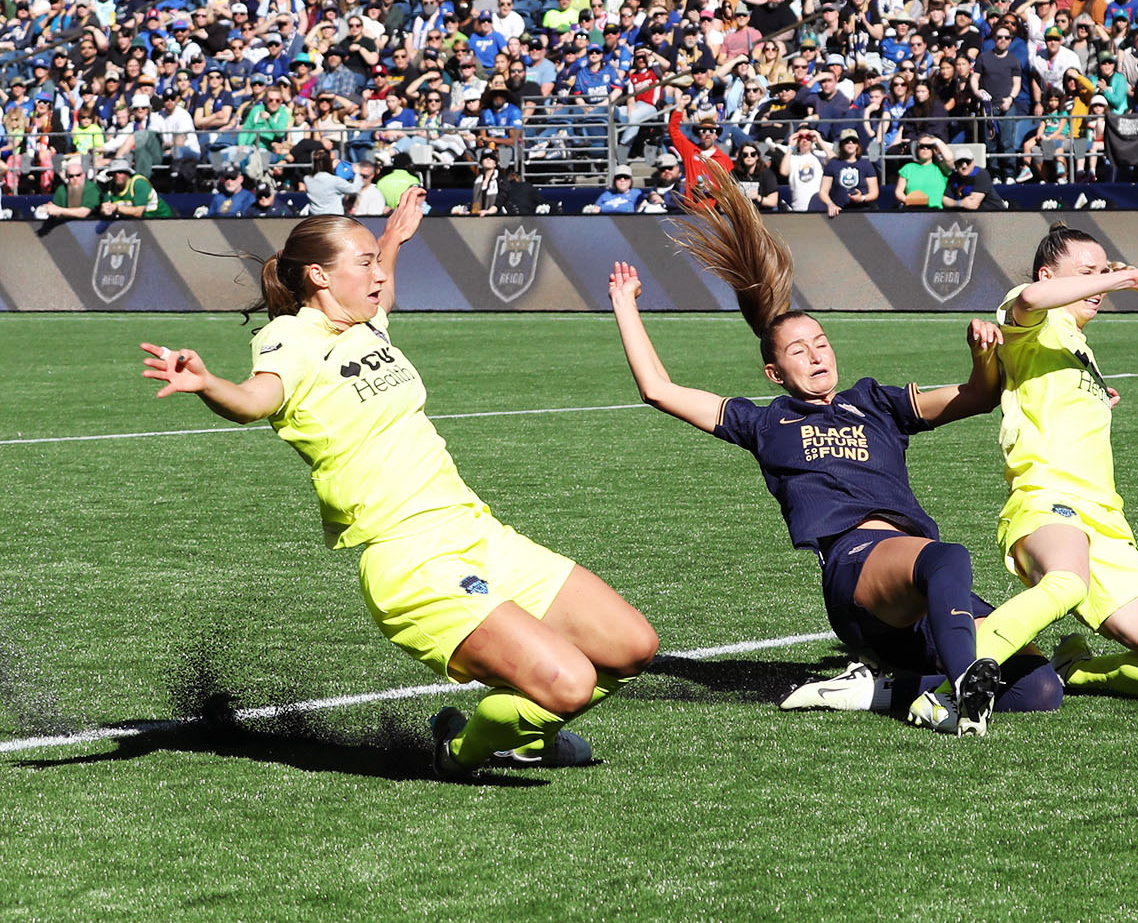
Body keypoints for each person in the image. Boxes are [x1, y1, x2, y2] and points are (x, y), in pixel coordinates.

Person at [137, 189, 658, 777]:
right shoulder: (290, 338)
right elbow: (256, 398)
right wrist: (209, 384)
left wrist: (391, 239)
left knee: (631, 647)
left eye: (376, 262)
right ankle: (457, 751)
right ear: (318, 276)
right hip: (410, 561)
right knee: (568, 684)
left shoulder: (365, 325)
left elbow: (380, 286)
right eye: (363, 263)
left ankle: (523, 736)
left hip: (473, 528)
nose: (379, 274)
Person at [605, 167, 1060, 734]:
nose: (818, 355)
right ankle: (963, 688)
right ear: (775, 372)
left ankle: (880, 690)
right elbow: (659, 390)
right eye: (800, 350)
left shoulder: (875, 402)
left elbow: (978, 397)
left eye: (821, 342)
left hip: (920, 588)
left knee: (1040, 688)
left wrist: (983, 354)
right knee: (947, 556)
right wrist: (625, 303)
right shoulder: (764, 420)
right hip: (858, 575)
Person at [986, 226, 1138, 701]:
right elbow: (1030, 297)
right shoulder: (1036, 319)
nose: (1099, 282)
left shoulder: (1076, 344)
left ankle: (1072, 670)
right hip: (1048, 499)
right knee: (1065, 583)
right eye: (1087, 272)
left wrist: (1092, 400)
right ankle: (952, 682)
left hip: (1106, 521)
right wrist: (1123, 278)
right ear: (1051, 274)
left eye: (1103, 271)